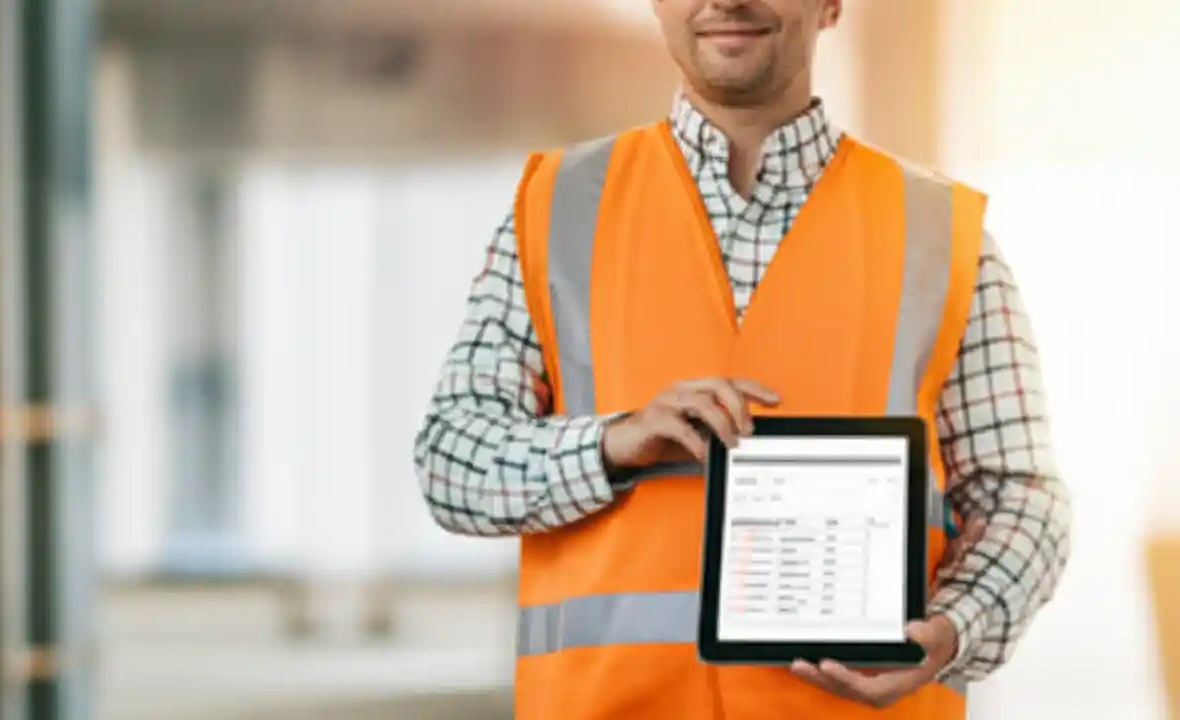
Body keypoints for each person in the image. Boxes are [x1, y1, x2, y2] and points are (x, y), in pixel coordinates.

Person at [412, 0, 1071, 717]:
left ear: (831, 6)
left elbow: (1020, 499)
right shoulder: (555, 209)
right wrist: (610, 443)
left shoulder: (943, 236)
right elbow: (451, 462)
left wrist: (951, 631)